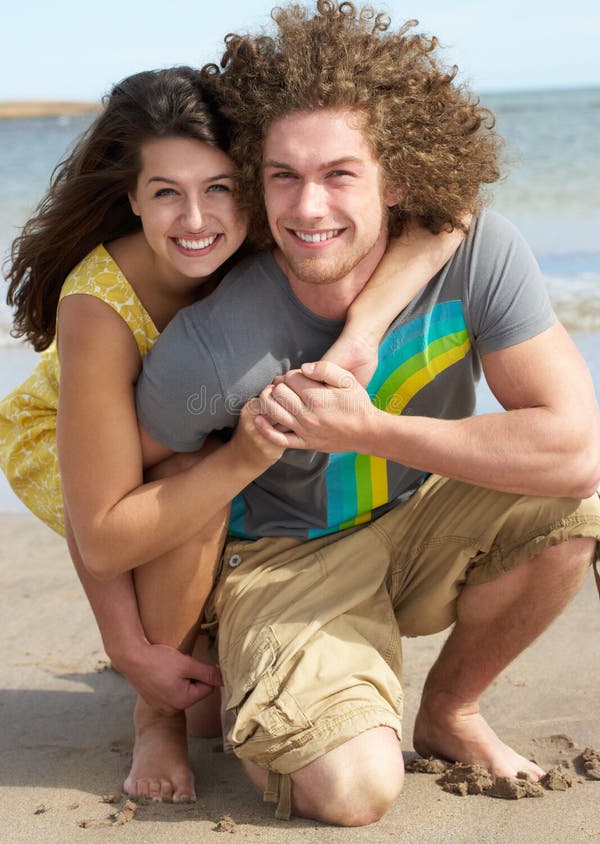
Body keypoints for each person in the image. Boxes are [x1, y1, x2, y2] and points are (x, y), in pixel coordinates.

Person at [135, 0, 600, 826]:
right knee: (355, 792)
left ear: (400, 176)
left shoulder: (478, 252)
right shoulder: (210, 349)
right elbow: (132, 500)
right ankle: (257, 672)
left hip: (422, 515)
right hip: (286, 559)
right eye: (283, 176)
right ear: (254, 179)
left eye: (340, 174)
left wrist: (369, 430)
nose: (308, 208)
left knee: (577, 503)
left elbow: (574, 448)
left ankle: (450, 710)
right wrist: (152, 686)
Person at [0, 66, 461, 803]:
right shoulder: (98, 305)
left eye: (218, 188)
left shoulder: (260, 234)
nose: (195, 220)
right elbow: (103, 530)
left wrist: (362, 335)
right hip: (74, 431)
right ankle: (154, 718)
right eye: (166, 194)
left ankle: (198, 637)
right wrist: (127, 647)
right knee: (194, 473)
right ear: (132, 201)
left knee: (215, 700)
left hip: (195, 418)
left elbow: (450, 217)